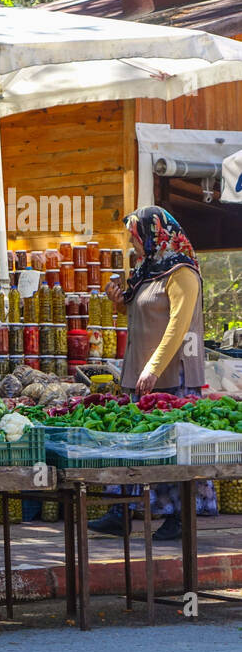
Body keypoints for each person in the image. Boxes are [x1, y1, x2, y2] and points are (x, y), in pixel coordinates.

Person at [90, 206, 216, 541]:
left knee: (173, 450)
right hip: (140, 376)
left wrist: (154, 366)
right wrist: (119, 301)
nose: (133, 245)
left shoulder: (181, 272)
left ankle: (178, 517)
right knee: (133, 444)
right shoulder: (148, 270)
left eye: (136, 237)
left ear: (155, 233)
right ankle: (121, 511)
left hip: (172, 377)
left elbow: (178, 324)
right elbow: (145, 312)